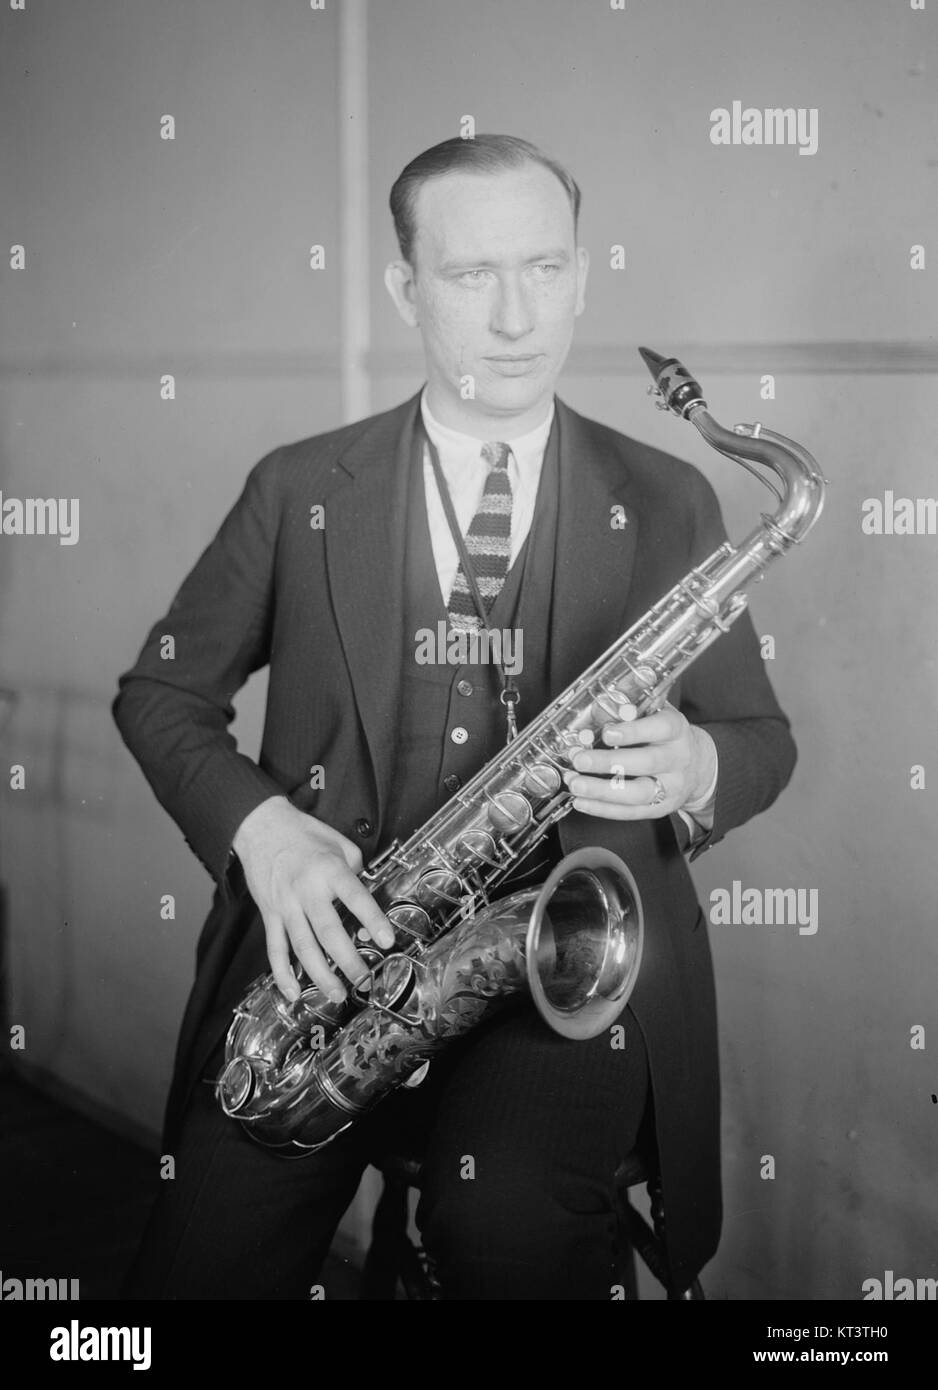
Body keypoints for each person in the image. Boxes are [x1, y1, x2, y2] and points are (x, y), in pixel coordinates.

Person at [112, 134, 796, 1301]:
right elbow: (161, 693)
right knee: (201, 1265)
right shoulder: (298, 488)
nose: (518, 315)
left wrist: (693, 766)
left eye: (543, 267)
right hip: (329, 964)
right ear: (406, 287)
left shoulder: (670, 495)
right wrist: (264, 834)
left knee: (510, 1237)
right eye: (472, 275)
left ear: (581, 272)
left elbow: (760, 742)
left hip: (563, 983)